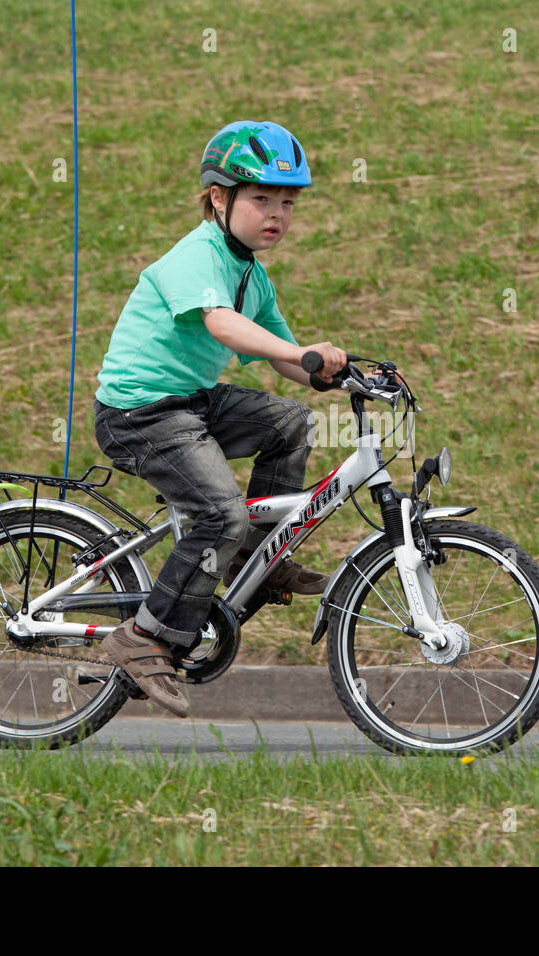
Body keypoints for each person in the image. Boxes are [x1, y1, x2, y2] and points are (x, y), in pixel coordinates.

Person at [92, 120, 348, 718]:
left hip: (189, 401)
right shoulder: (199, 254)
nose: (276, 214)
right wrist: (296, 353)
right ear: (218, 197)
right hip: (139, 414)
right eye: (261, 198)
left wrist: (337, 371)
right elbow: (222, 326)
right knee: (217, 512)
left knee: (290, 423)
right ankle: (143, 637)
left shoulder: (252, 275)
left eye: (288, 202)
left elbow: (283, 354)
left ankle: (253, 558)